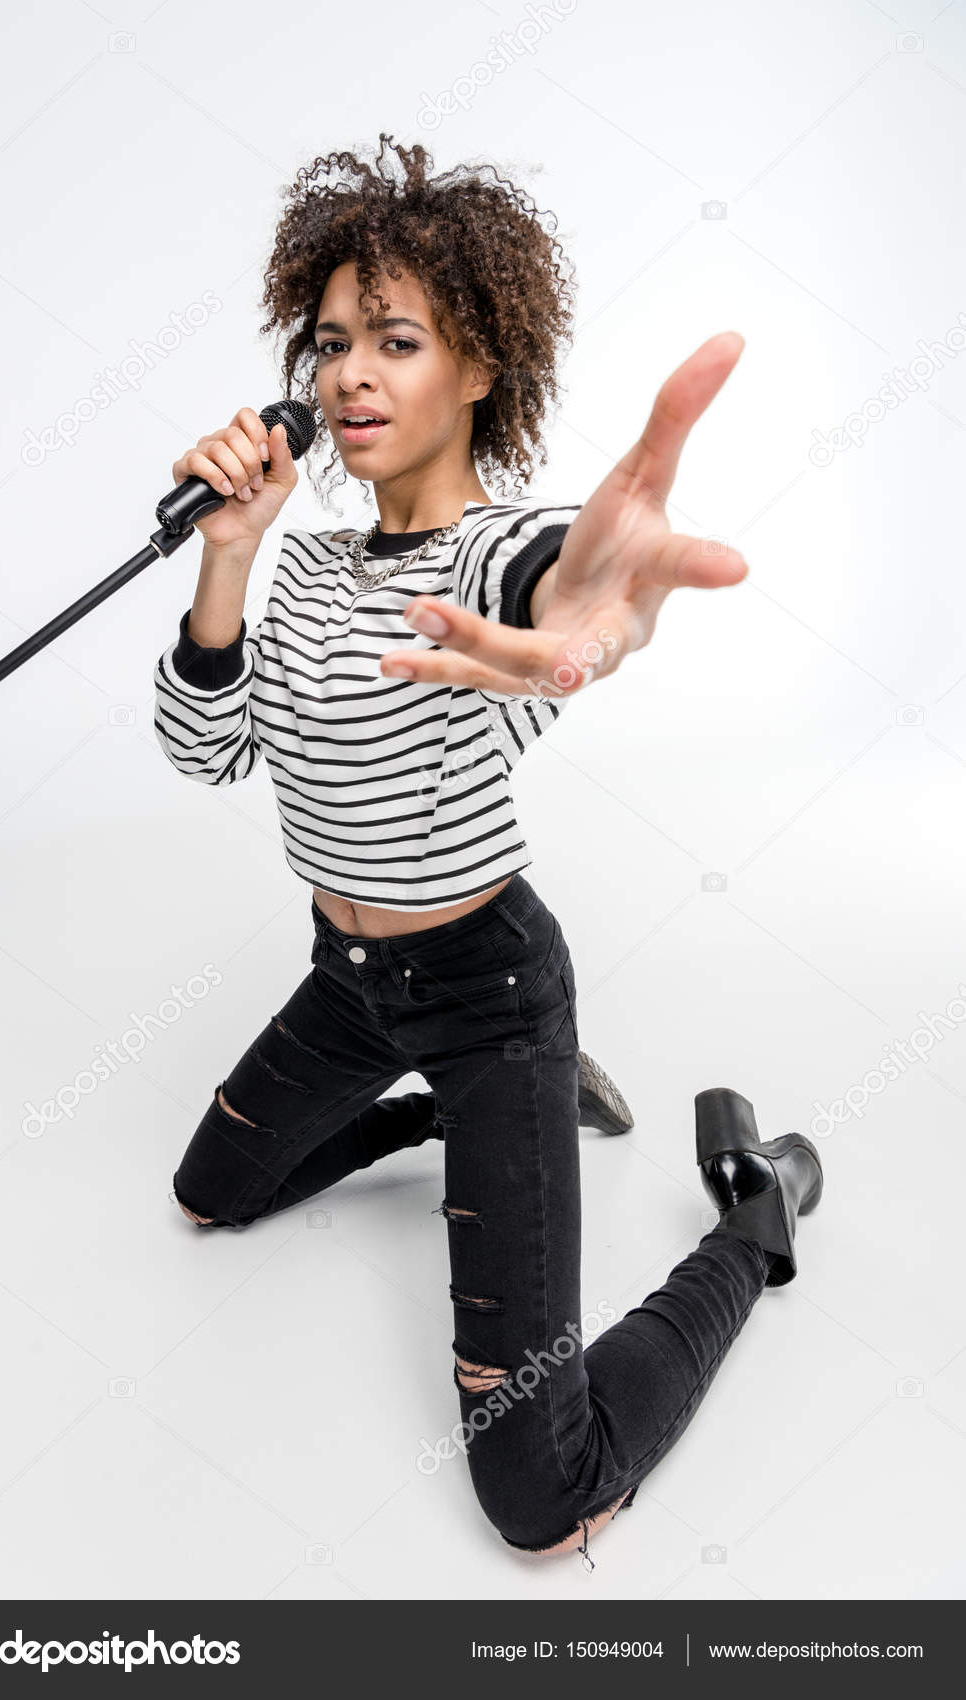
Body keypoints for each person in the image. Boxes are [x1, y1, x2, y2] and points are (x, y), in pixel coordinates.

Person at [152, 134, 823, 1567]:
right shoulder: (314, 566)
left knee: (538, 1486)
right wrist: (228, 550)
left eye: (397, 340)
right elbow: (204, 748)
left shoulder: (494, 554)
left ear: (477, 370)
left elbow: (559, 590)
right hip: (346, 985)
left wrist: (589, 608)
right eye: (331, 344)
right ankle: (460, 1121)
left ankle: (752, 1227)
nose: (348, 375)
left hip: (490, 989)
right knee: (212, 1194)